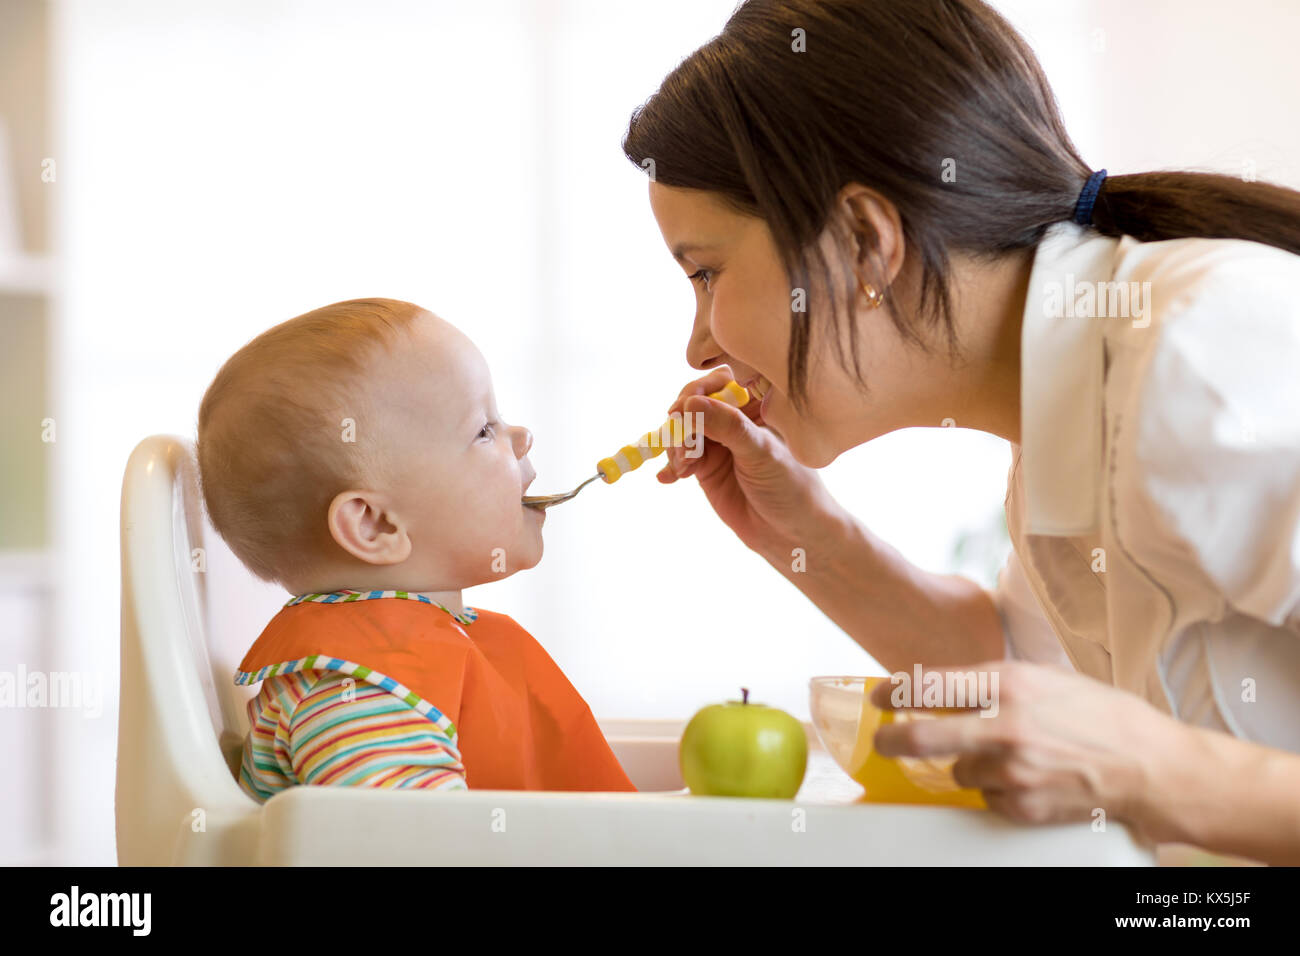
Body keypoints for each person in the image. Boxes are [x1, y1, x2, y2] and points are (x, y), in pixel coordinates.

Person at [622, 0, 1300, 864]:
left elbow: (1109, 744)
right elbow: (1025, 673)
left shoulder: (1203, 357)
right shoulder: (1066, 401)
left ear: (865, 240)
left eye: (706, 272)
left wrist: (1151, 772)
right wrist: (805, 537)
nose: (700, 341)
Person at [195, 298, 637, 801]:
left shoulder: (405, 663)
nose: (521, 436)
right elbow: (414, 845)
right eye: (483, 430)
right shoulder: (360, 696)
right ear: (375, 524)